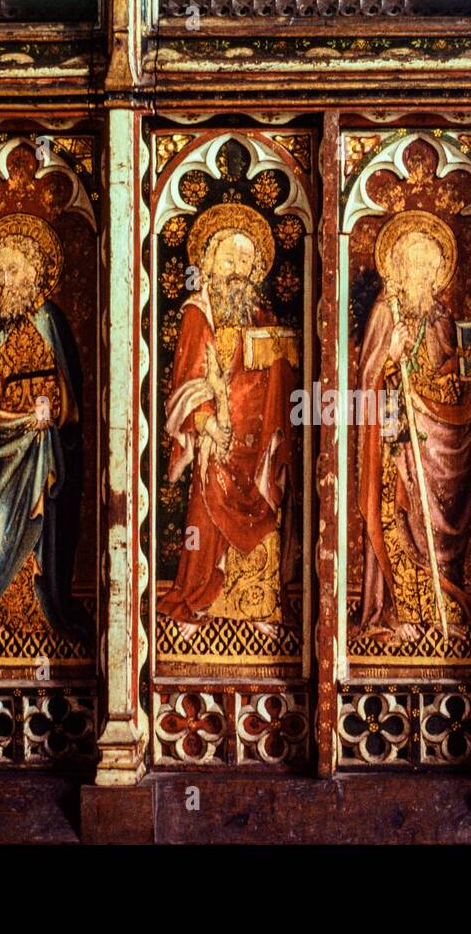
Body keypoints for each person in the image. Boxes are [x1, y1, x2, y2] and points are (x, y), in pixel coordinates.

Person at [158, 204, 298, 640]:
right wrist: (205, 424)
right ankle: (196, 600)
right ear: (210, 264)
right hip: (218, 440)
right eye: (228, 259)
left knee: (263, 512)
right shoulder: (198, 314)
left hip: (257, 442)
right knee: (207, 520)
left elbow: (279, 367)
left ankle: (257, 605)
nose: (237, 269)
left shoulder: (260, 316)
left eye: (245, 261)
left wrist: (283, 359)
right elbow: (186, 379)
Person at [356, 210, 471, 643]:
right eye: (416, 268)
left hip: (436, 436)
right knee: (400, 514)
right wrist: (390, 357)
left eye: (430, 270)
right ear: (399, 269)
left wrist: (465, 371)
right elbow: (367, 377)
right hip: (399, 434)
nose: (424, 277)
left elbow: (448, 370)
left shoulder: (438, 314)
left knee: (443, 511)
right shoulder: (386, 311)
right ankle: (398, 610)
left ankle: (437, 606)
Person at [0, 213, 87, 639]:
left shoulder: (49, 319)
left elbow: (67, 380)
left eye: (11, 271)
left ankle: (42, 609)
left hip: (42, 437)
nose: (2, 282)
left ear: (33, 271)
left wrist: (52, 409)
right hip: (8, 437)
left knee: (42, 518)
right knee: (0, 525)